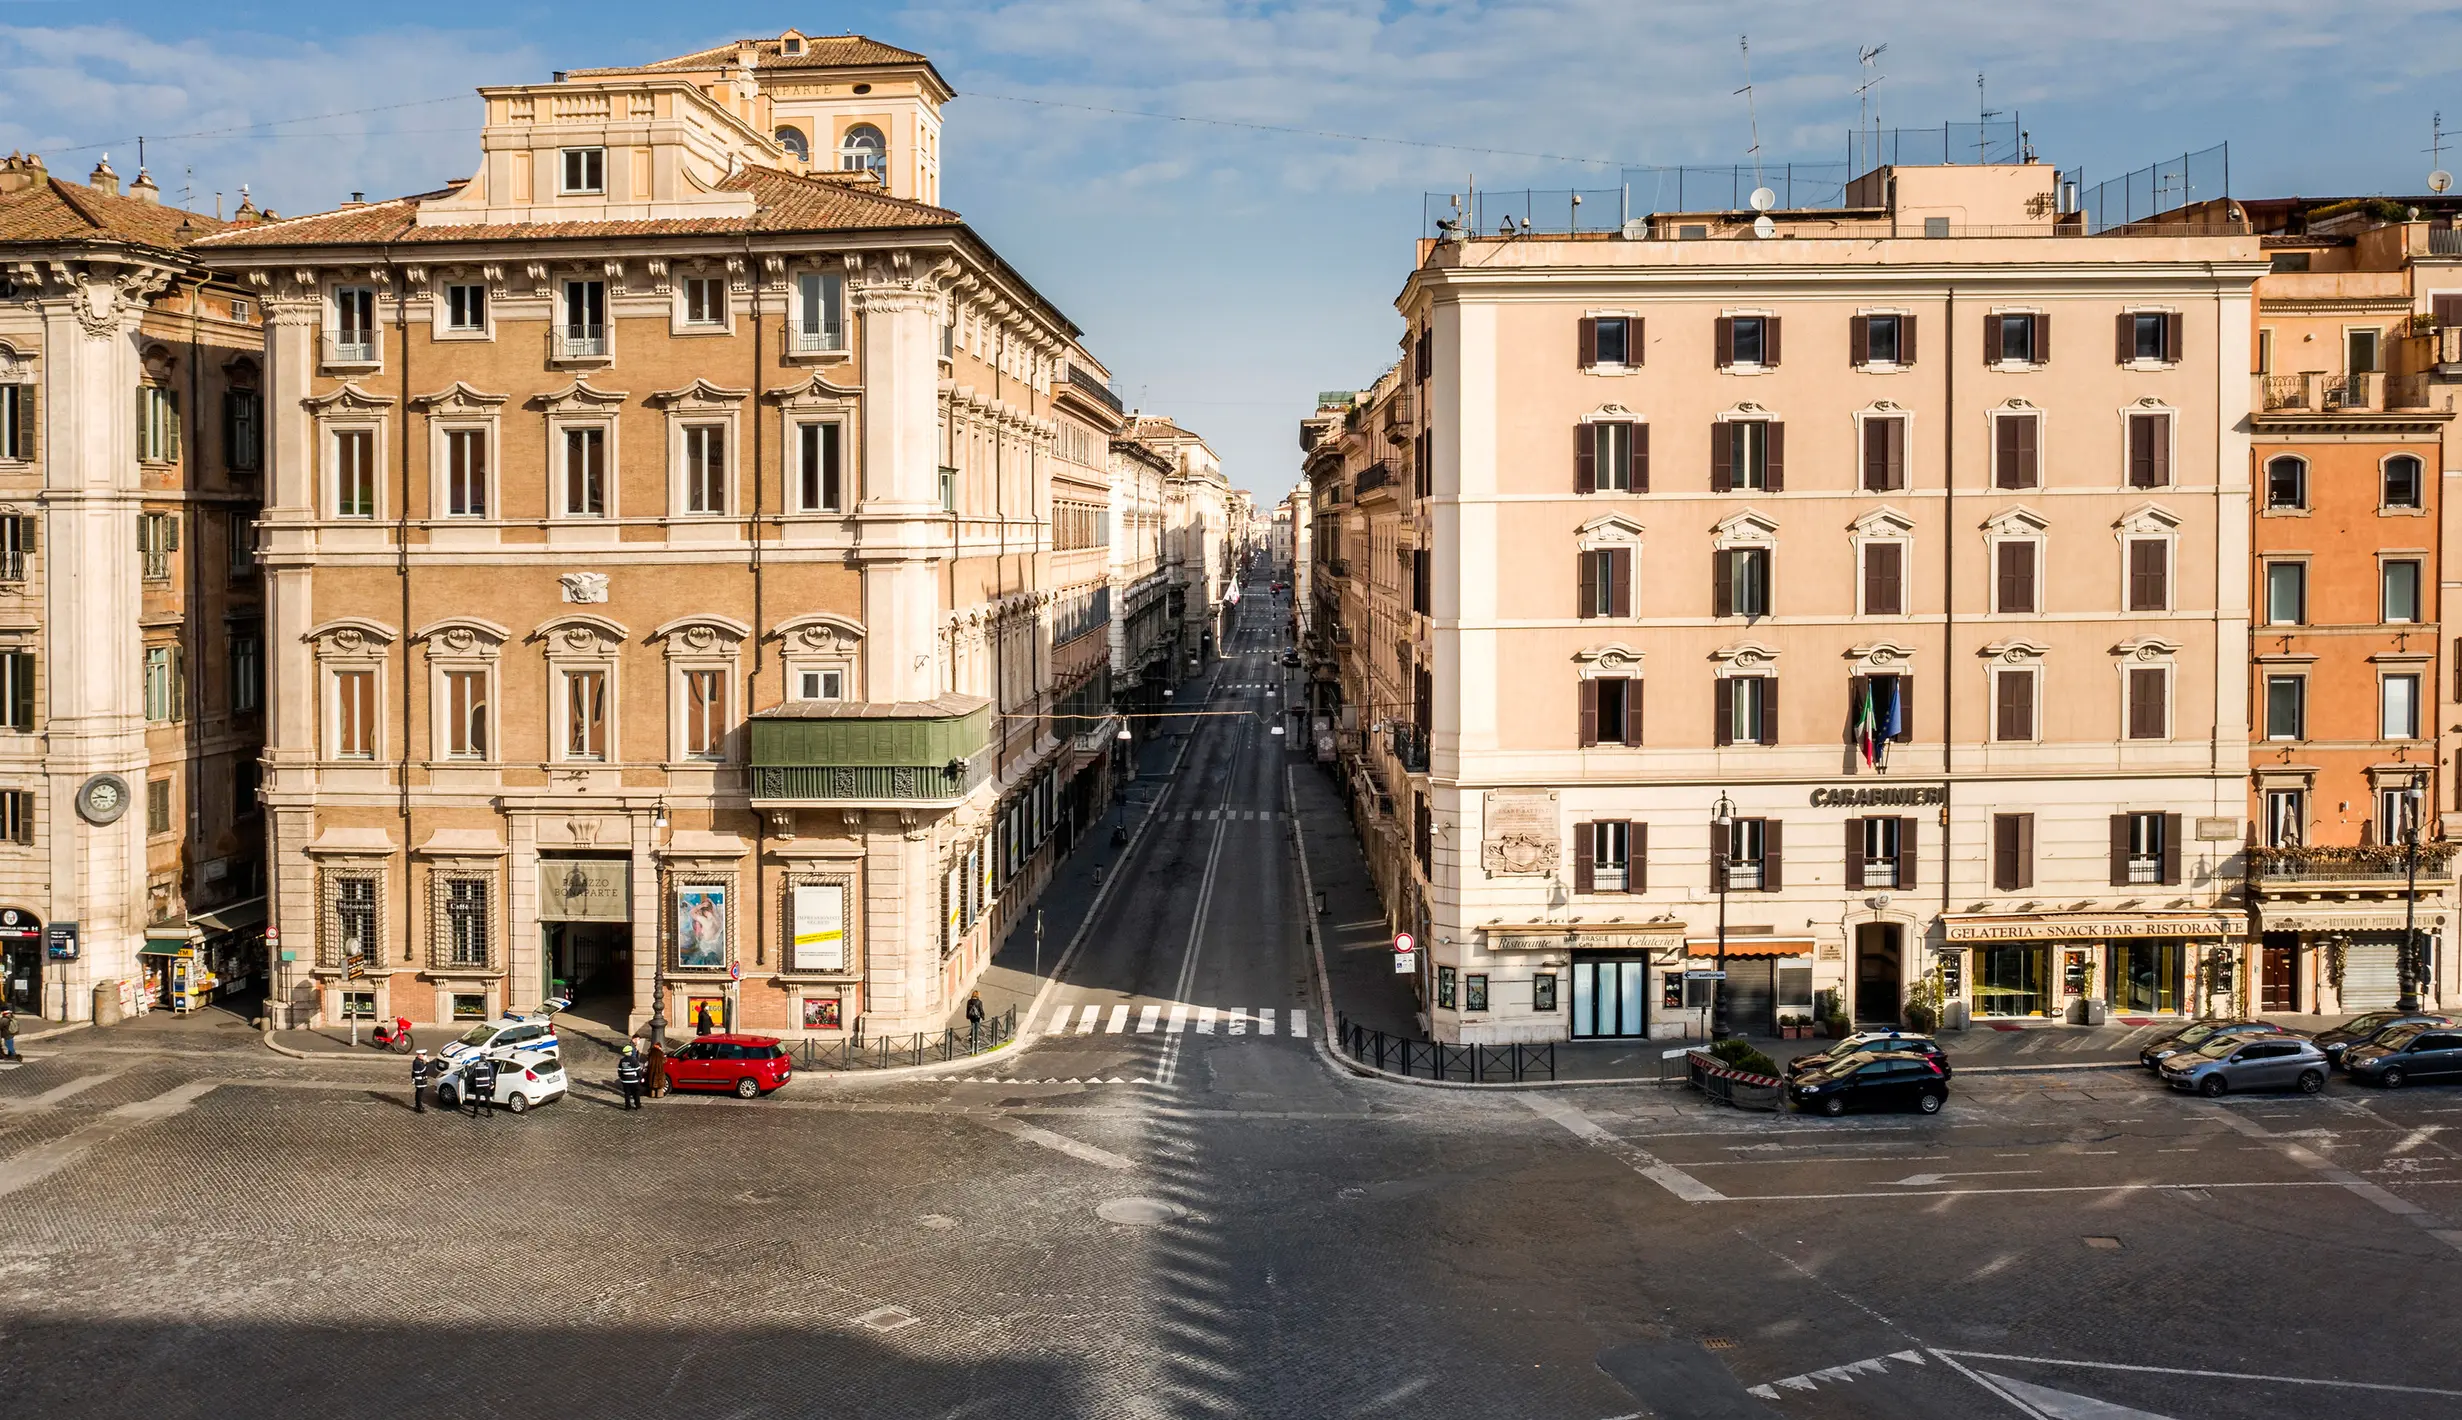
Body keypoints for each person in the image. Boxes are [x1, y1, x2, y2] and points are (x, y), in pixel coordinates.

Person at [467, 1053, 498, 1118]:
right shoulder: (488, 1064)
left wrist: (467, 1067)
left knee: (477, 1099)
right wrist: (492, 1083)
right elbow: (491, 1074)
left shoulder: (476, 1064)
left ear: (479, 1058)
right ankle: (489, 1113)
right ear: (485, 1058)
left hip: (478, 1084)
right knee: (487, 1099)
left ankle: (475, 1113)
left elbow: (470, 1072)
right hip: (486, 1084)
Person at [616, 1044, 644, 1110]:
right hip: (634, 1080)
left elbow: (620, 1070)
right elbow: (638, 1070)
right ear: (630, 1052)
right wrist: (640, 1077)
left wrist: (622, 1077)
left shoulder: (622, 1061)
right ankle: (637, 1105)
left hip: (625, 1080)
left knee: (627, 1094)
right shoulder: (634, 1060)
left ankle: (627, 1106)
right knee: (636, 1093)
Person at [409, 1049, 431, 1113]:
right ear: (419, 1055)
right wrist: (427, 1063)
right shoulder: (417, 1062)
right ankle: (419, 1107)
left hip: (421, 1079)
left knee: (419, 1093)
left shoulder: (419, 1061)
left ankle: (418, 1106)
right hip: (419, 1080)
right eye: (423, 1054)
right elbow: (423, 1070)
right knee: (419, 1093)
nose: (424, 1056)